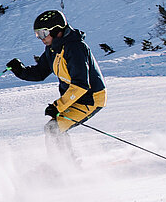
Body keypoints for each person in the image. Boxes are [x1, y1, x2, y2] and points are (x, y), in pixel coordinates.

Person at [7, 9, 106, 150]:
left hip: (90, 99)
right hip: (74, 97)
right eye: (37, 34)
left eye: (43, 33)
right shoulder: (53, 48)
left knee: (53, 128)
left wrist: (58, 106)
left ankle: (64, 165)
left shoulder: (75, 48)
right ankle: (63, 163)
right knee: (54, 128)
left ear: (56, 30)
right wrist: (20, 70)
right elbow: (40, 72)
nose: (41, 38)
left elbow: (81, 85)